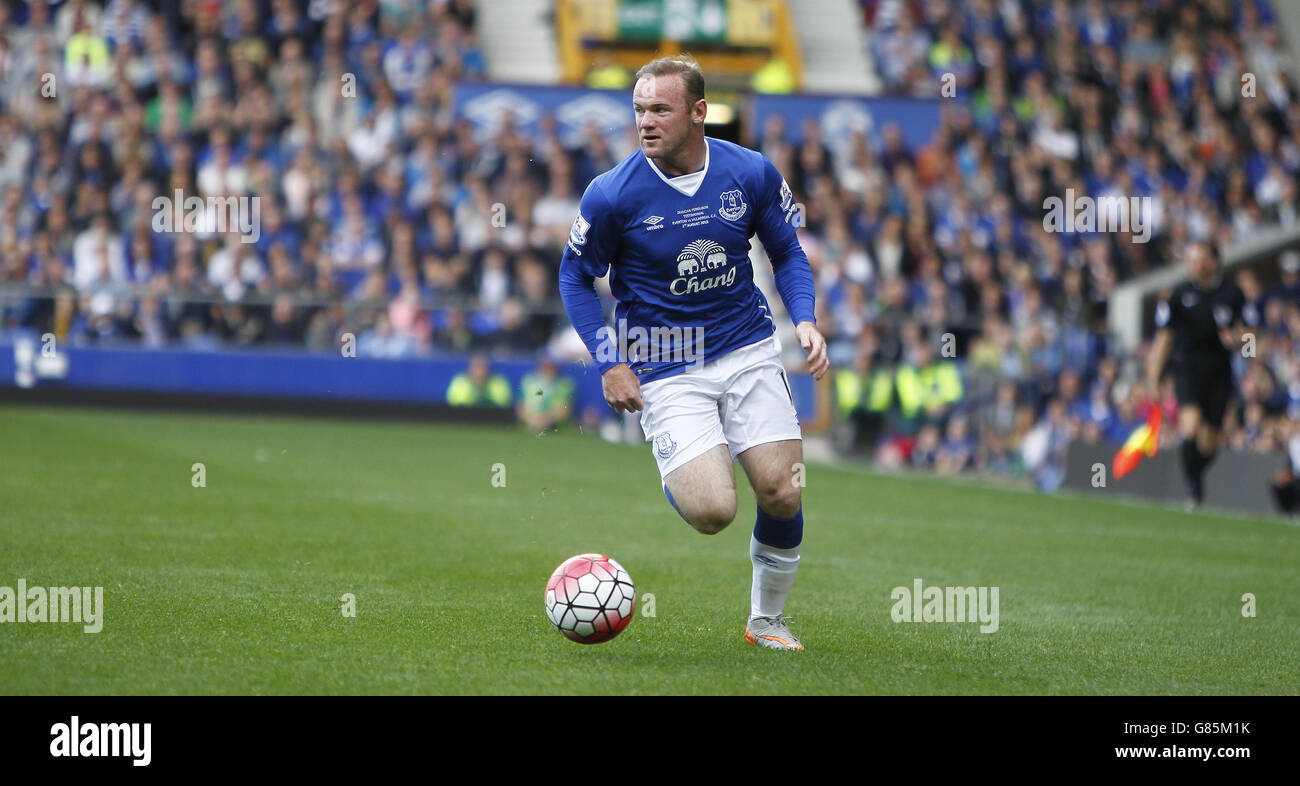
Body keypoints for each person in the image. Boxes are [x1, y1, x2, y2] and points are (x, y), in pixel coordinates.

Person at [558, 55, 827, 651]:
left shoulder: (750, 172)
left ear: (698, 112)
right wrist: (610, 361)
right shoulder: (611, 195)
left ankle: (767, 621)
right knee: (712, 511)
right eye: (638, 110)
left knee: (783, 491)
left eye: (660, 109)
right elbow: (574, 278)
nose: (645, 122)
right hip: (664, 362)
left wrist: (804, 319)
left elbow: (787, 251)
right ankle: (681, 455)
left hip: (747, 346)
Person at [1146, 242, 1253, 506]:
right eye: (1189, 260)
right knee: (1190, 426)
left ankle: (1196, 475)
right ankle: (1193, 490)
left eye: (1197, 260)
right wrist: (1153, 376)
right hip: (1188, 370)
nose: (1191, 266)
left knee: (1209, 445)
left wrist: (1239, 341)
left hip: (1219, 372)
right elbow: (1163, 339)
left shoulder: (1232, 293)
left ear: (1212, 263)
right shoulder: (1179, 294)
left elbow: (1251, 335)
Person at [517, 355, 574, 432]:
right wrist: (531, 420)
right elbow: (520, 406)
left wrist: (544, 421)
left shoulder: (564, 385)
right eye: (546, 366)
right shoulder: (528, 381)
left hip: (555, 428)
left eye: (551, 367)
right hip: (529, 424)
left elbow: (565, 409)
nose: (548, 370)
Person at [446, 354, 512, 408]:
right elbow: (453, 405)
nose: (479, 372)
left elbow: (504, 404)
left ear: (488, 369)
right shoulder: (460, 382)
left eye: (482, 367)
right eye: (476, 368)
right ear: (470, 369)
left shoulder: (498, 383)